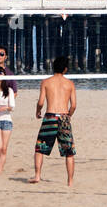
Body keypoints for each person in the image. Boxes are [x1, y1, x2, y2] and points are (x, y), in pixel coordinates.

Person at [30, 56, 76, 186]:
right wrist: (69, 116)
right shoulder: (70, 84)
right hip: (63, 116)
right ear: (65, 69)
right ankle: (70, 181)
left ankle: (38, 176)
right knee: (69, 152)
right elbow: (73, 105)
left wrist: (37, 111)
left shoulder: (46, 82)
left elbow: (40, 102)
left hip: (50, 116)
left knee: (40, 148)